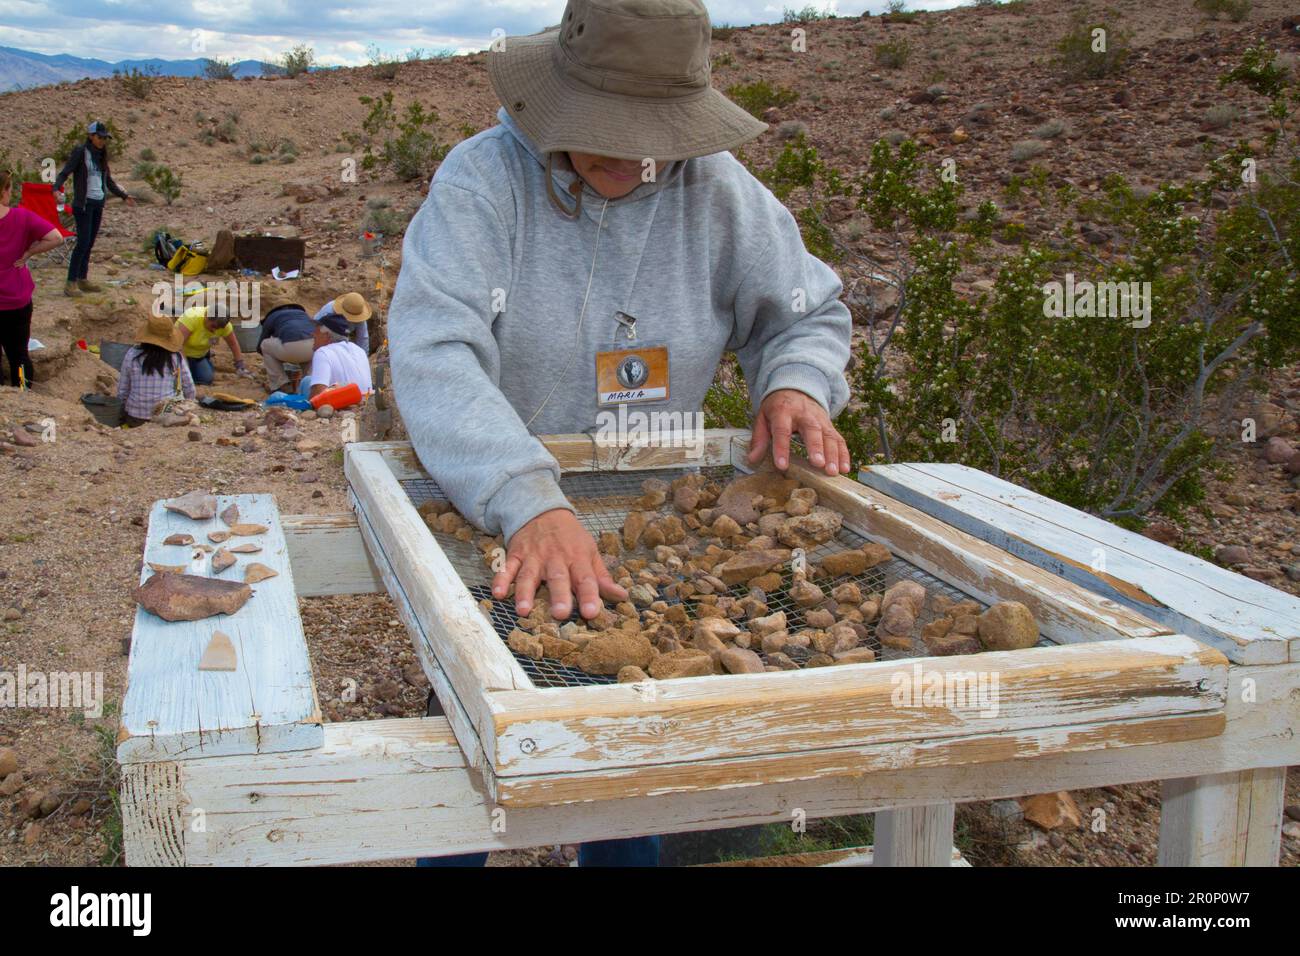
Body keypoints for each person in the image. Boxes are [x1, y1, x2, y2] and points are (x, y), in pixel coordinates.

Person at [389, 0, 852, 867]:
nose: (627, 152)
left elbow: (806, 313)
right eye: (604, 127)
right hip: (496, 514)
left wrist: (797, 387)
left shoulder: (718, 194)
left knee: (628, 764)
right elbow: (434, 351)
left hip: (648, 518)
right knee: (467, 753)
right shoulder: (482, 182)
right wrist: (526, 499)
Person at [53, 121, 134, 297]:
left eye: (104, 138)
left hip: (97, 203)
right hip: (83, 204)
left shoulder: (101, 155)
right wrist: (55, 189)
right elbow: (65, 172)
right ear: (90, 136)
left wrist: (123, 196)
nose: (102, 141)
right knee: (82, 242)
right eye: (99, 137)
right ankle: (70, 282)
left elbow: (109, 181)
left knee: (89, 243)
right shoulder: (81, 152)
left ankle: (82, 279)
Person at [0, 171, 65, 388]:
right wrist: (29, 253)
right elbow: (56, 238)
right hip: (16, 299)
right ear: (4, 191)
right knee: (18, 354)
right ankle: (22, 393)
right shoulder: (22, 217)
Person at [117, 313, 196, 426]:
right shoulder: (175, 357)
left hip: (135, 416)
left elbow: (123, 390)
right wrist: (188, 406)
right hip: (165, 418)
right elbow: (189, 386)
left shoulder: (132, 354)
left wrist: (122, 410)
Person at [175, 302, 250, 385]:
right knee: (179, 378)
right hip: (176, 354)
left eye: (219, 328)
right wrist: (184, 367)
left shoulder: (224, 325)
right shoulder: (192, 317)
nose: (215, 331)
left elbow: (233, 344)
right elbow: (178, 345)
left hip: (198, 356)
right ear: (206, 317)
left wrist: (240, 366)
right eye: (213, 326)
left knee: (206, 379)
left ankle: (202, 361)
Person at [302, 312, 372, 398]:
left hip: (344, 405)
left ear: (326, 335)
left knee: (305, 382)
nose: (313, 334)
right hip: (365, 402)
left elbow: (318, 394)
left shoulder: (323, 352)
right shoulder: (360, 350)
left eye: (316, 331)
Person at [258, 301, 318, 393]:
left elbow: (260, 343)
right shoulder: (303, 314)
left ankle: (281, 384)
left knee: (265, 344)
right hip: (313, 347)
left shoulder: (272, 317)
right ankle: (308, 385)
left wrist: (278, 360)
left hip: (291, 348)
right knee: (308, 356)